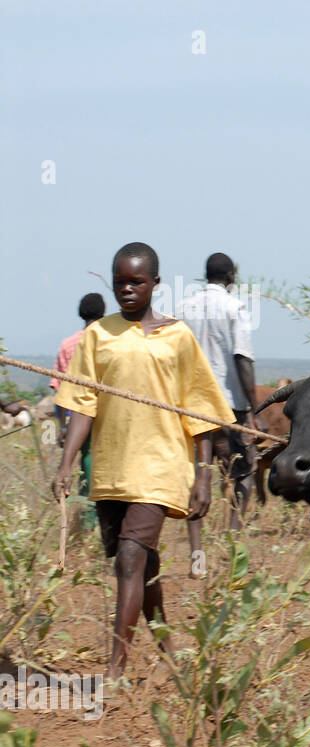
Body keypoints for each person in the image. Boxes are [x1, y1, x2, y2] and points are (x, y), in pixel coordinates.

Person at [52, 242, 234, 684]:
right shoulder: (98, 336)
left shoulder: (179, 337)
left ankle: (114, 671)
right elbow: (82, 404)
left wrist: (204, 476)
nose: (127, 289)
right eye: (119, 282)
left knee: (130, 559)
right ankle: (169, 649)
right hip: (112, 467)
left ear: (155, 283)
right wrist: (66, 462)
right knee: (138, 562)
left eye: (136, 281)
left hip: (162, 467)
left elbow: (201, 411)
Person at [177, 253, 257, 537]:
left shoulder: (183, 308)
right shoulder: (235, 307)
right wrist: (252, 410)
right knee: (245, 473)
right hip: (228, 406)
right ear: (230, 278)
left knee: (197, 477)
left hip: (190, 408)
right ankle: (232, 541)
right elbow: (243, 359)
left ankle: (197, 556)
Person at [50, 293, 105, 508]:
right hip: (100, 413)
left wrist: (63, 426)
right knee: (92, 460)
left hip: (75, 414)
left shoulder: (67, 344)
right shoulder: (106, 340)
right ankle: (92, 513)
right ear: (102, 313)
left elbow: (59, 388)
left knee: (85, 461)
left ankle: (86, 516)